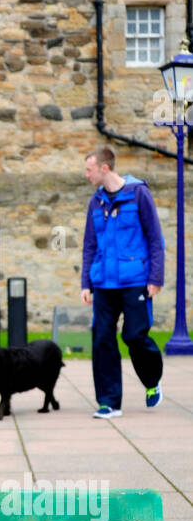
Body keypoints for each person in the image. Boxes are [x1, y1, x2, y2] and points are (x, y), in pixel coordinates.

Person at [81, 146, 164, 418]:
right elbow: (89, 245)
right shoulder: (96, 203)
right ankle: (109, 402)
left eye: (89, 169)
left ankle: (152, 381)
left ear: (105, 168)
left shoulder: (138, 194)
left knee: (134, 336)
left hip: (135, 281)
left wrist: (155, 277)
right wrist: (86, 282)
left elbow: (154, 238)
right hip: (104, 282)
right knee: (102, 338)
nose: (86, 175)